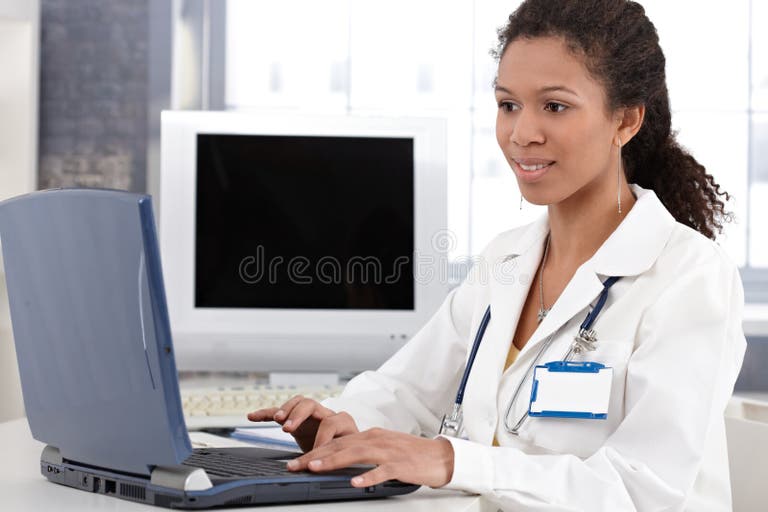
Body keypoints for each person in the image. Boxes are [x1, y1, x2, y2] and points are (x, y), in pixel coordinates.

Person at [248, 0, 746, 509]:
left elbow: (644, 489)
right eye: (508, 104)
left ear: (626, 120)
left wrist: (451, 460)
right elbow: (409, 391)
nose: (521, 133)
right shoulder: (506, 259)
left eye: (555, 106)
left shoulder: (690, 278)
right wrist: (342, 421)